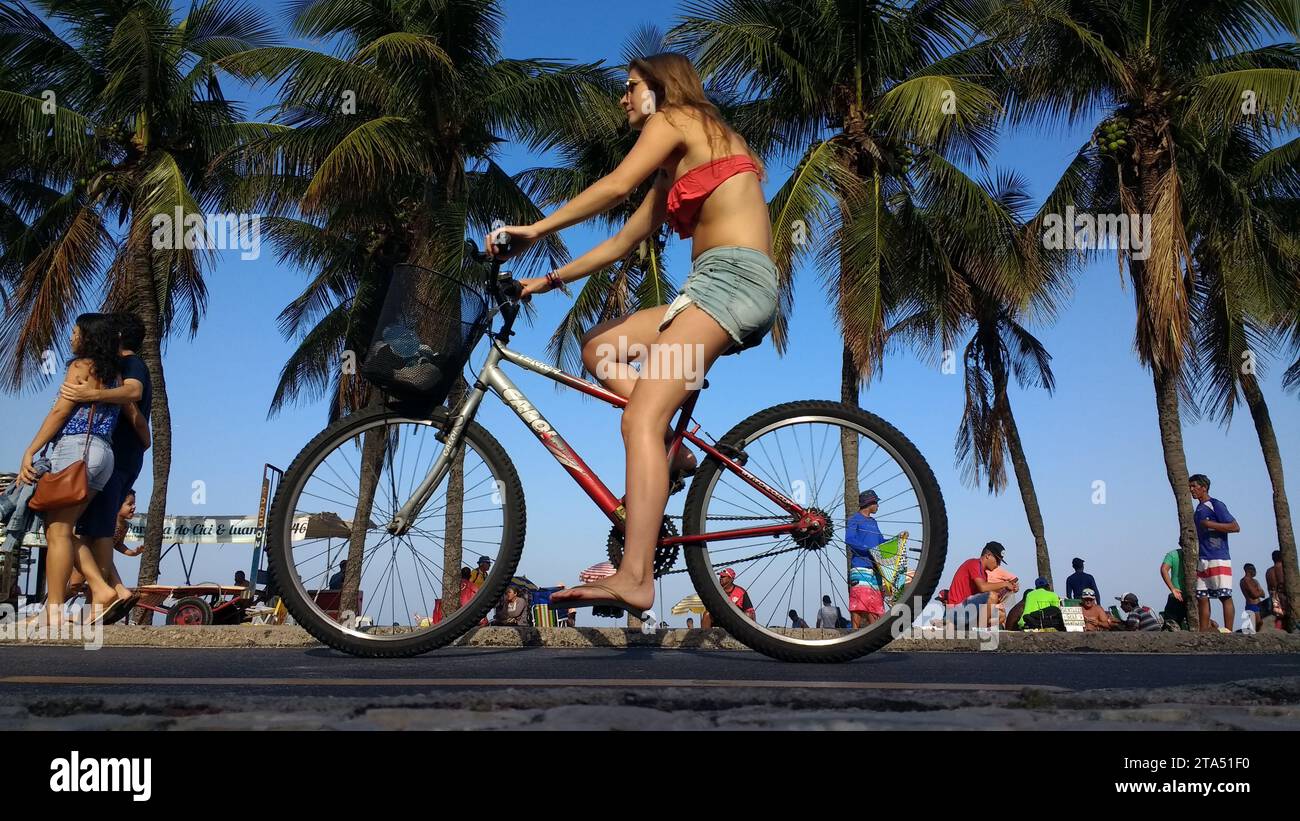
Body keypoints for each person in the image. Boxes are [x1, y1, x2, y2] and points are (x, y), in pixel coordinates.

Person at [511, 53, 777, 617]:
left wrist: (534, 229)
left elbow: (614, 186)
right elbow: (623, 241)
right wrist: (547, 278)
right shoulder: (678, 158)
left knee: (639, 420)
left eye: (631, 87)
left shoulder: (678, 119)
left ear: (661, 88)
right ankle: (677, 454)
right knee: (598, 347)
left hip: (731, 286)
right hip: (704, 289)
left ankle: (635, 577)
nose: (624, 98)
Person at [15, 314, 137, 627]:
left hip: (75, 449)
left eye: (75, 331)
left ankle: (53, 613)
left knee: (57, 532)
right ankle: (98, 587)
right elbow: (137, 417)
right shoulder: (115, 374)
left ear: (88, 336)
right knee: (65, 530)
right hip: (103, 453)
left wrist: (30, 450)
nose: (71, 336)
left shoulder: (81, 366)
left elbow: (60, 412)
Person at [63, 312, 151, 625]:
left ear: (116, 338)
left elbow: (133, 393)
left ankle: (104, 597)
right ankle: (114, 591)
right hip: (121, 454)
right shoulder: (122, 366)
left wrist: (92, 394)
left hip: (117, 454)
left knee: (96, 528)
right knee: (92, 526)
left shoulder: (130, 364)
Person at [1190, 473, 1239, 632]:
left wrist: (1209, 524)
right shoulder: (1198, 508)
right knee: (1202, 596)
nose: (1191, 490)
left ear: (1204, 488)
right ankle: (1203, 633)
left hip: (1218, 557)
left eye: (1194, 486)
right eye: (1190, 487)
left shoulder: (1215, 504)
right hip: (1203, 557)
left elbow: (1234, 527)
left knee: (1224, 595)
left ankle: (1228, 631)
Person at [945, 542, 1017, 629]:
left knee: (1001, 615)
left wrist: (1006, 590)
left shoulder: (984, 574)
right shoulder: (974, 563)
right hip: (956, 610)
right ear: (988, 555)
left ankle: (970, 627)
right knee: (992, 596)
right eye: (997, 560)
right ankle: (980, 629)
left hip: (969, 611)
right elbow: (983, 588)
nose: (998, 564)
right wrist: (1004, 583)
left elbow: (986, 600)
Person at [845, 490, 888, 628]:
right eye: (876, 503)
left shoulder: (873, 522)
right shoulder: (854, 520)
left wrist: (897, 541)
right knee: (859, 602)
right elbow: (850, 539)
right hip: (860, 566)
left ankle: (873, 631)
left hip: (875, 568)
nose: (878, 506)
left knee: (875, 602)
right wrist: (867, 549)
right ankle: (854, 631)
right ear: (869, 503)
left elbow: (881, 542)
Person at [1160, 546, 1189, 628]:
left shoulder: (1173, 554)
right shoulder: (1197, 554)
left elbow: (1163, 569)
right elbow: (1163, 569)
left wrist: (1172, 589)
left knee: (1171, 624)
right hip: (1184, 594)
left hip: (1178, 594)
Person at [1265, 550, 1287, 629]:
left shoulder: (1269, 571)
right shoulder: (1283, 568)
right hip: (1283, 596)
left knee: (1278, 617)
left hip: (1273, 596)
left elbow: (1269, 587)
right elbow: (1283, 584)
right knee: (1285, 616)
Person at [1240, 564, 1266, 632]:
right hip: (1252, 606)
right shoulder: (1245, 580)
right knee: (1256, 627)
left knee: (1260, 626)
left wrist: (1258, 592)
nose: (1255, 572)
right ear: (1248, 570)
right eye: (1254, 570)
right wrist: (1258, 591)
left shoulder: (1255, 581)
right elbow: (1255, 594)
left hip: (1258, 606)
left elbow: (1263, 594)